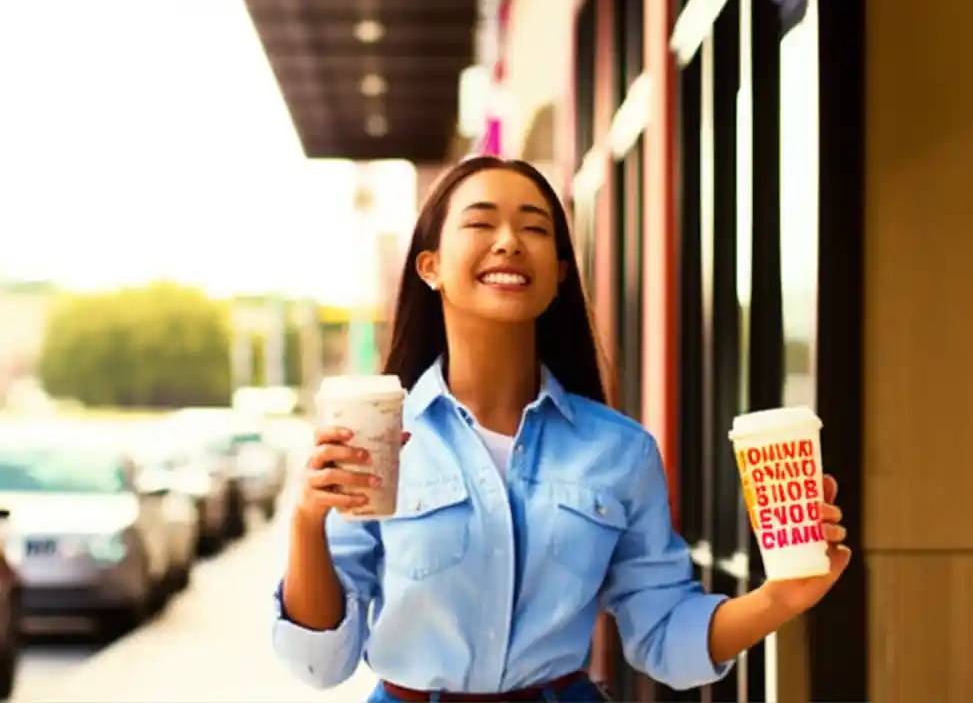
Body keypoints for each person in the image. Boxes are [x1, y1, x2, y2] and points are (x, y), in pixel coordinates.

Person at [271, 157, 850, 703]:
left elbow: (665, 637)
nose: (508, 241)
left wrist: (780, 597)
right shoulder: (374, 440)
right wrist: (306, 521)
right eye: (480, 222)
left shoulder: (619, 451)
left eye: (535, 229)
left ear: (557, 276)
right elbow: (322, 661)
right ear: (431, 267)